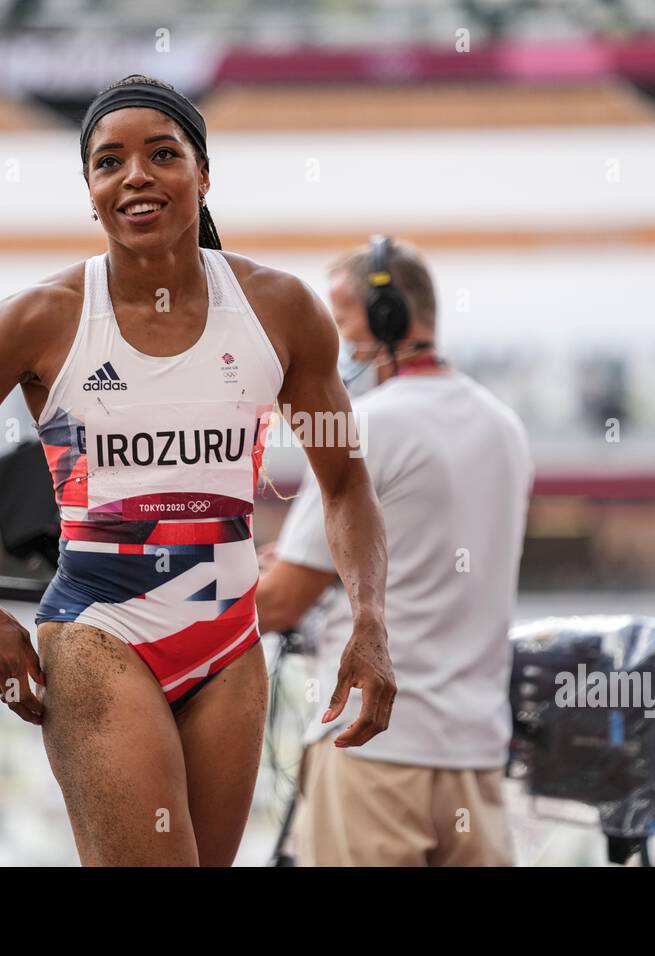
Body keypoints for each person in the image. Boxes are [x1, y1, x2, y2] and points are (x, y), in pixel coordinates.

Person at [0, 74, 395, 866]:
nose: (136, 176)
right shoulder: (40, 317)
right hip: (98, 632)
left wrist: (370, 620)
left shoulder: (278, 311)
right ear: (90, 192)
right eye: (109, 162)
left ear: (203, 173)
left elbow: (346, 483)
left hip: (228, 642)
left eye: (162, 154)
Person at [256, 236, 532, 866]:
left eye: (343, 320)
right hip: (475, 757)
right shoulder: (504, 427)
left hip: (372, 753)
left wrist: (163, 604)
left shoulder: (369, 423)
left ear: (387, 317)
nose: (334, 341)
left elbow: (278, 603)